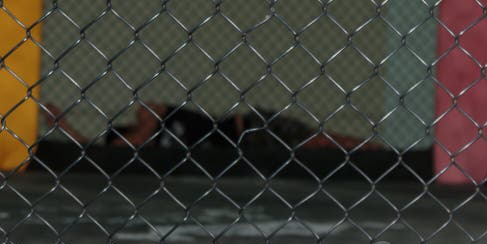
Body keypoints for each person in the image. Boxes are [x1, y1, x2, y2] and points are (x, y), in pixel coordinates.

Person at [42, 102, 379, 151]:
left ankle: (373, 148)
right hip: (241, 149)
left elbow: (152, 110)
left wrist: (145, 127)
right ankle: (367, 148)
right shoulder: (122, 141)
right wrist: (63, 125)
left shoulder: (156, 113)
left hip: (243, 126)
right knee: (313, 145)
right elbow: (94, 150)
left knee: (317, 139)